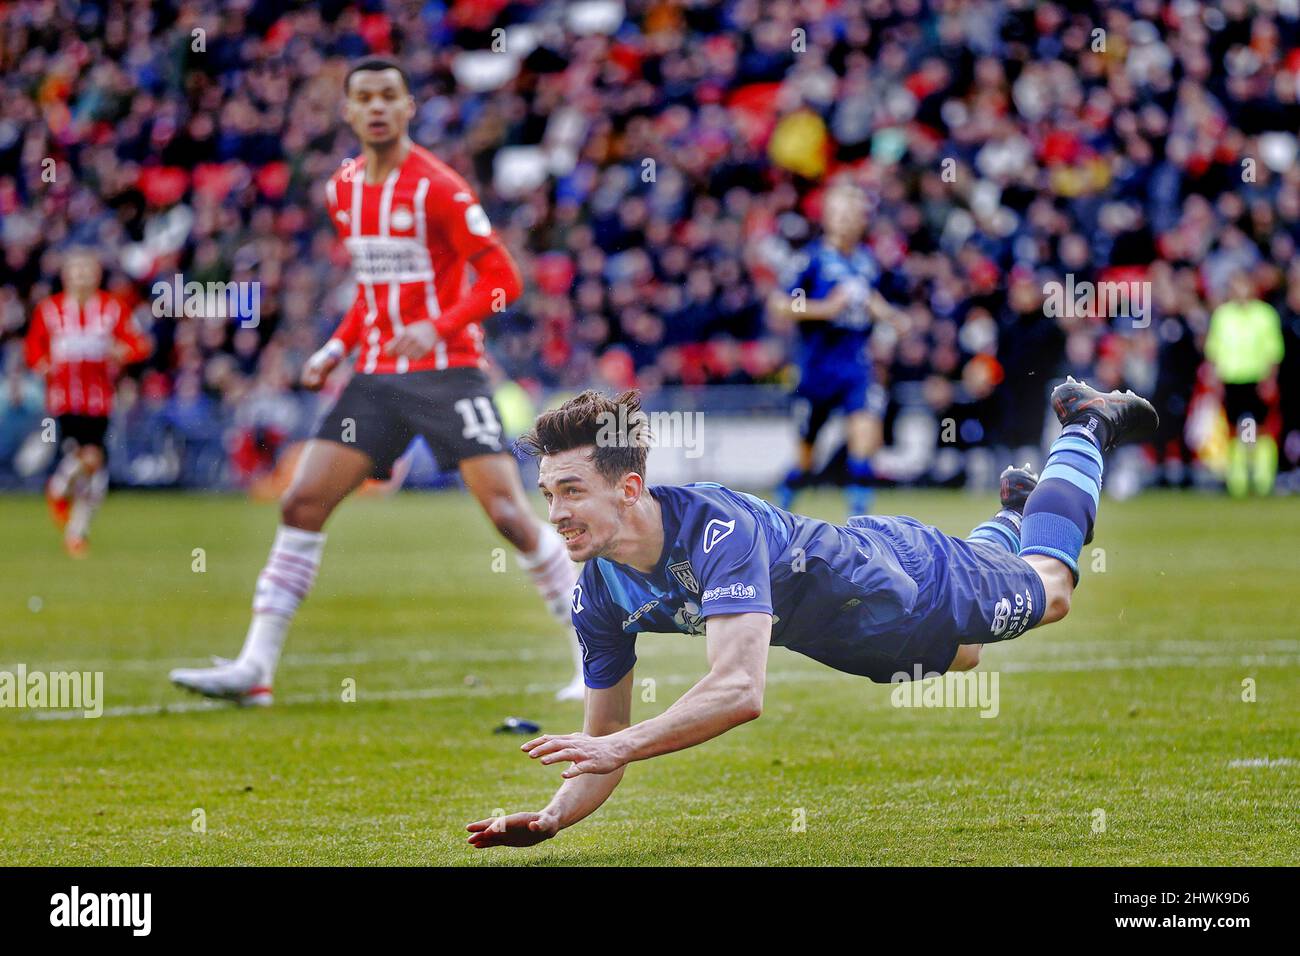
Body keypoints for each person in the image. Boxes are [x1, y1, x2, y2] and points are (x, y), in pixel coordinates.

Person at [466, 380, 1157, 848]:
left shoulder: (716, 529)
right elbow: (603, 737)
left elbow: (739, 691)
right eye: (547, 493)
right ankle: (1011, 514)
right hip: (852, 642)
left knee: (1052, 590)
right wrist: (555, 817)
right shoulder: (599, 594)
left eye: (571, 491)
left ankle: (1085, 426)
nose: (554, 514)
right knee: (966, 655)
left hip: (907, 578)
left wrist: (619, 746)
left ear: (629, 487)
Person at [169, 58, 584, 706]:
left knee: (508, 514)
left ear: (409, 106)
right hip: (378, 378)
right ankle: (256, 667)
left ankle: (593, 656)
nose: (377, 108)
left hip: (448, 372)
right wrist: (337, 346)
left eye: (389, 96)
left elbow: (504, 278)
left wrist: (437, 327)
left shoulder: (439, 188)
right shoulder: (343, 188)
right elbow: (374, 289)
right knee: (301, 503)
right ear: (348, 112)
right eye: (364, 98)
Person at [766, 181, 907, 515]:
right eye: (839, 213)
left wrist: (892, 316)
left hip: (856, 366)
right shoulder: (810, 260)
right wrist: (824, 308)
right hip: (816, 368)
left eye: (853, 214)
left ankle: (861, 529)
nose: (846, 220)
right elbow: (779, 305)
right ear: (828, 218)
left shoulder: (867, 262)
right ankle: (777, 515)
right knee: (805, 457)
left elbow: (870, 298)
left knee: (865, 438)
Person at [25, 249, 151, 557]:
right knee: (89, 458)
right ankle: (61, 496)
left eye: (87, 270)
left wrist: (123, 352)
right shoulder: (50, 310)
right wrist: (42, 364)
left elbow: (139, 344)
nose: (81, 276)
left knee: (95, 476)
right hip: (64, 401)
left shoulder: (111, 308)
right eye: (76, 270)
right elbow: (33, 349)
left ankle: (73, 526)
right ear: (66, 275)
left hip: (100, 402)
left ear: (96, 275)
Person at [1206, 272, 1285, 497]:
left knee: (1258, 429)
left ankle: (1262, 477)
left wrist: (1269, 379)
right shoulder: (1223, 316)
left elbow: (1273, 351)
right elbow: (1214, 351)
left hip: (1255, 378)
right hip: (1231, 379)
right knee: (1233, 430)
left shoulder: (1265, 315)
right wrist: (1216, 379)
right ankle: (1237, 479)